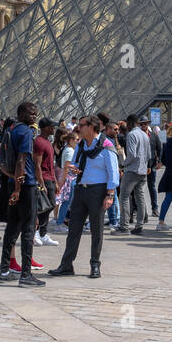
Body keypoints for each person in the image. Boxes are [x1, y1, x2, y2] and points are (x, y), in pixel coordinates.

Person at [48, 117, 119, 279]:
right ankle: (66, 265)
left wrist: (110, 195)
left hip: (98, 191)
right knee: (73, 229)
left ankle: (95, 265)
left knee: (97, 230)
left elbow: (113, 173)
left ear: (92, 127)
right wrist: (74, 169)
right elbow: (77, 165)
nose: (78, 128)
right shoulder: (81, 145)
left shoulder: (106, 146)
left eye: (81, 125)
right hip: (81, 189)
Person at [0, 101, 43, 286]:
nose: (34, 116)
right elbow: (21, 161)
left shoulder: (11, 129)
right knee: (28, 229)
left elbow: (3, 163)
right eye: (31, 113)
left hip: (12, 182)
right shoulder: (25, 131)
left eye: (35, 113)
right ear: (21, 113)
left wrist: (13, 183)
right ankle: (25, 274)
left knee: (12, 229)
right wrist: (18, 189)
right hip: (25, 185)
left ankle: (3, 270)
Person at [33, 118, 59, 247]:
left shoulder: (47, 141)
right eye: (52, 126)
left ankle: (42, 233)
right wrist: (41, 183)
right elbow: (37, 164)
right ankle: (37, 232)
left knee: (50, 205)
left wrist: (55, 182)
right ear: (46, 128)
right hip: (43, 178)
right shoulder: (38, 142)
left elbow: (51, 165)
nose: (54, 128)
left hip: (49, 178)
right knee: (45, 207)